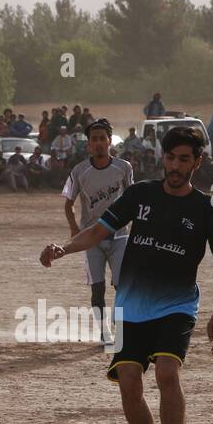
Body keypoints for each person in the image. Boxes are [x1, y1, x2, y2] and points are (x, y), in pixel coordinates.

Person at [39, 127, 213, 424]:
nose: (175, 166)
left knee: (166, 372)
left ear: (198, 161)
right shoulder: (140, 194)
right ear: (163, 157)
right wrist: (63, 249)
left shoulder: (208, 209)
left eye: (184, 159)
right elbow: (96, 232)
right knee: (128, 381)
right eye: (170, 158)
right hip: (131, 306)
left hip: (176, 306)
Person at [62, 119, 134, 346]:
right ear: (89, 145)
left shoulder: (124, 168)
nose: (99, 143)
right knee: (97, 288)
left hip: (120, 235)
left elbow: (133, 199)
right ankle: (104, 334)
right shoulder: (79, 171)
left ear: (110, 141)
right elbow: (68, 203)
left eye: (103, 138)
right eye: (94, 139)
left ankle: (121, 331)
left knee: (123, 286)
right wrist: (75, 231)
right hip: (91, 238)